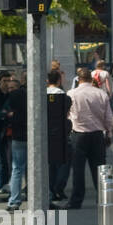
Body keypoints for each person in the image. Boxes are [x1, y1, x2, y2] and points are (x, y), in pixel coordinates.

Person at [62, 67, 113, 210]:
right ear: (91, 80)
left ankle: (76, 200)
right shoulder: (101, 94)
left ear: (78, 79)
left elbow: (66, 115)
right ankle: (102, 199)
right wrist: (109, 134)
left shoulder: (71, 94)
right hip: (97, 135)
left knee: (78, 170)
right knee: (99, 169)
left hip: (78, 135)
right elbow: (108, 118)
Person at [2, 73, 28, 212]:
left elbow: (6, 113)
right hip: (33, 136)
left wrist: (10, 117)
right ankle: (44, 196)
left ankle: (14, 201)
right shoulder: (33, 94)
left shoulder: (13, 97)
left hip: (18, 136)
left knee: (17, 168)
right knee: (37, 168)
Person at [46, 70, 73, 205]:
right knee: (63, 162)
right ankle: (59, 188)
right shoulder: (64, 97)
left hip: (46, 133)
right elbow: (67, 111)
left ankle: (50, 189)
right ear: (58, 81)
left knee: (49, 163)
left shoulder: (41, 95)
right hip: (61, 132)